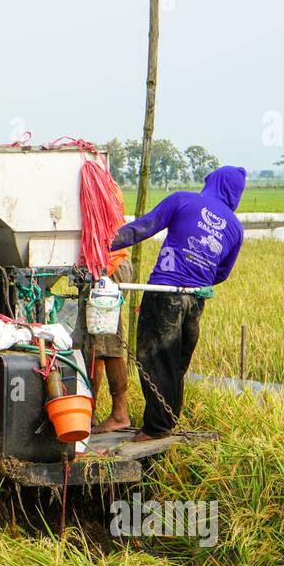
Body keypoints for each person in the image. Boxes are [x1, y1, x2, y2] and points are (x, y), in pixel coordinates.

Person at [108, 166, 246, 441]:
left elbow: (142, 228)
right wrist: (198, 275)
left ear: (212, 183)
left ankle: (154, 429)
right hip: (195, 301)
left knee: (155, 360)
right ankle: (165, 423)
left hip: (164, 293)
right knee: (175, 364)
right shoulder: (235, 227)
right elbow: (222, 273)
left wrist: (102, 243)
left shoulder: (183, 199)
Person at [77, 178, 133, 432]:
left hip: (109, 268)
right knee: (96, 347)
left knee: (107, 346)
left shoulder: (100, 188)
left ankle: (119, 414)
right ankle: (89, 413)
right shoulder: (104, 184)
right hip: (105, 267)